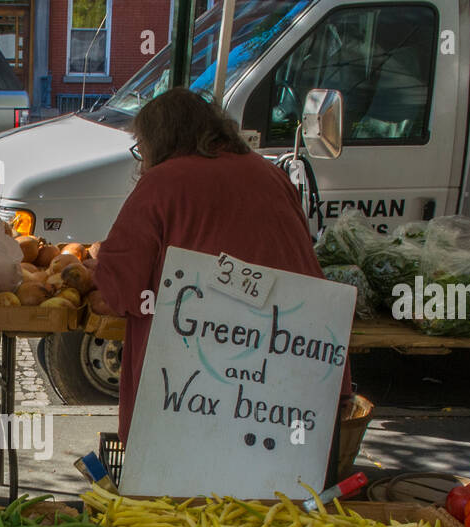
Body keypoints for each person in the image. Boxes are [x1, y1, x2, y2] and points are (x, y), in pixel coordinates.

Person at [94, 88, 354, 470]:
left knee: (187, 491)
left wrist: (98, 270)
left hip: (199, 380)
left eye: (141, 146)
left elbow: (121, 289)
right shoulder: (270, 173)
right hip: (294, 364)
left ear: (158, 141)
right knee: (274, 490)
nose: (142, 157)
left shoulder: (162, 183)